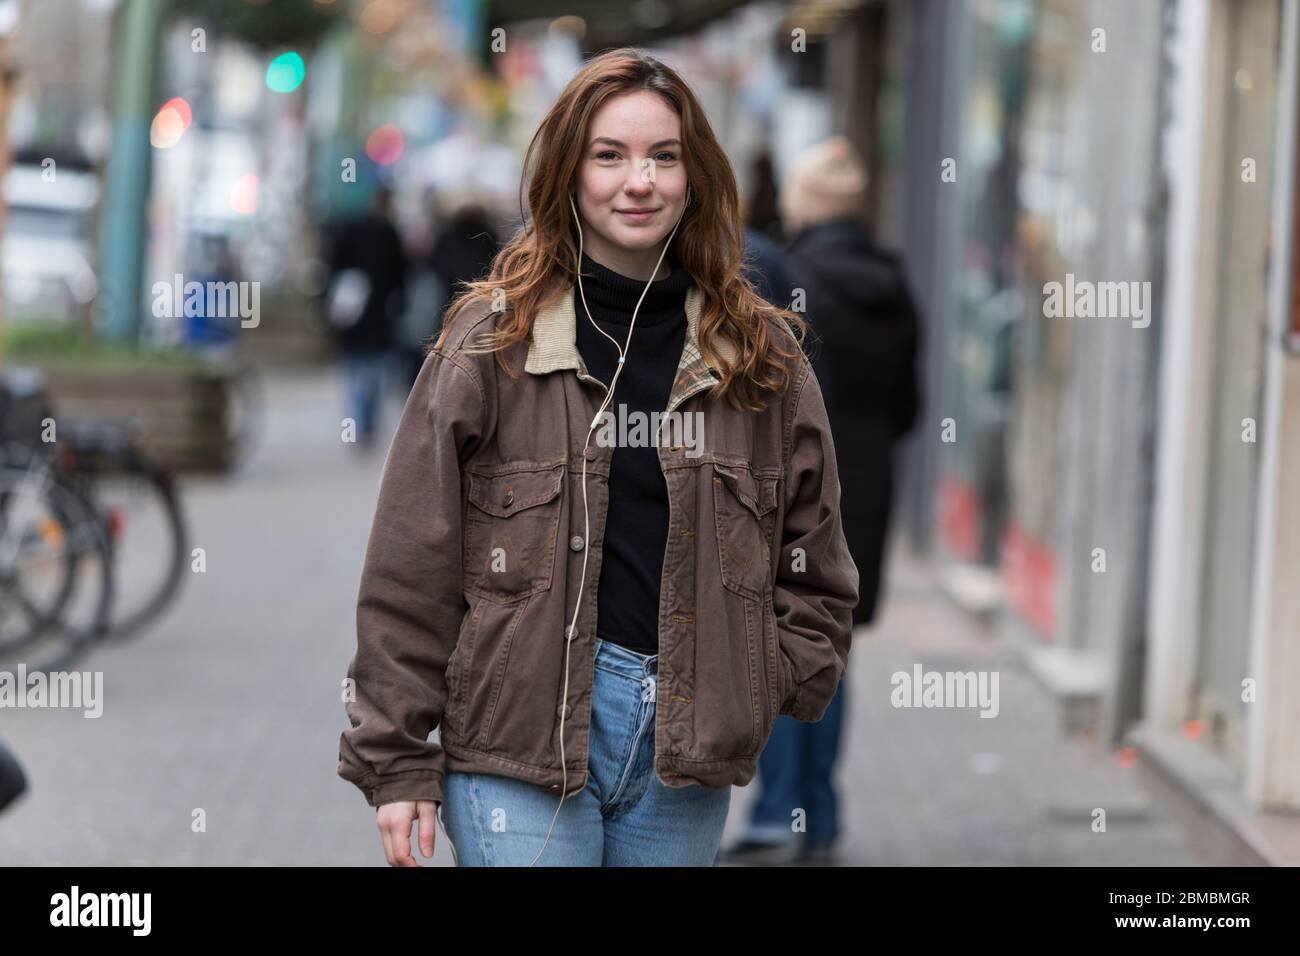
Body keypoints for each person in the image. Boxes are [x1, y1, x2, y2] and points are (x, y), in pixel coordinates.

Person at [337, 49, 859, 867]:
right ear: (569, 174)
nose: (638, 181)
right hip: (517, 743)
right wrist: (397, 758)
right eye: (609, 155)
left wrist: (755, 685)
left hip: (682, 763)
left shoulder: (761, 361)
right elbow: (412, 561)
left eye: (663, 156)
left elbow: (817, 565)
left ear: (697, 177)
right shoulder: (492, 345)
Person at [724, 136, 921, 865]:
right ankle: (822, 815)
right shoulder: (896, 283)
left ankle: (781, 813)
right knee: (831, 648)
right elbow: (908, 407)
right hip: (869, 488)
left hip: (803, 485)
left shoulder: (790, 278)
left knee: (779, 641)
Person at [326, 184, 407, 449]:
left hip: (354, 318)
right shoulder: (389, 233)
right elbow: (400, 276)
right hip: (379, 318)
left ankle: (360, 425)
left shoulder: (352, 230)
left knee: (355, 372)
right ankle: (367, 425)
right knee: (372, 374)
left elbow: (333, 268)